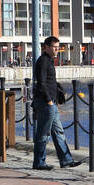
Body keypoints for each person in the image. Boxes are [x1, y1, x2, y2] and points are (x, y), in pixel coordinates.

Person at [32, 36, 81, 171]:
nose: (57, 50)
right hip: (45, 103)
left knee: (58, 131)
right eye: (55, 47)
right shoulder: (43, 61)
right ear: (46, 47)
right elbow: (41, 83)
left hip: (50, 103)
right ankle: (39, 162)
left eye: (58, 47)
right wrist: (48, 101)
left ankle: (66, 160)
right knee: (43, 133)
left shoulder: (49, 61)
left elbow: (49, 81)